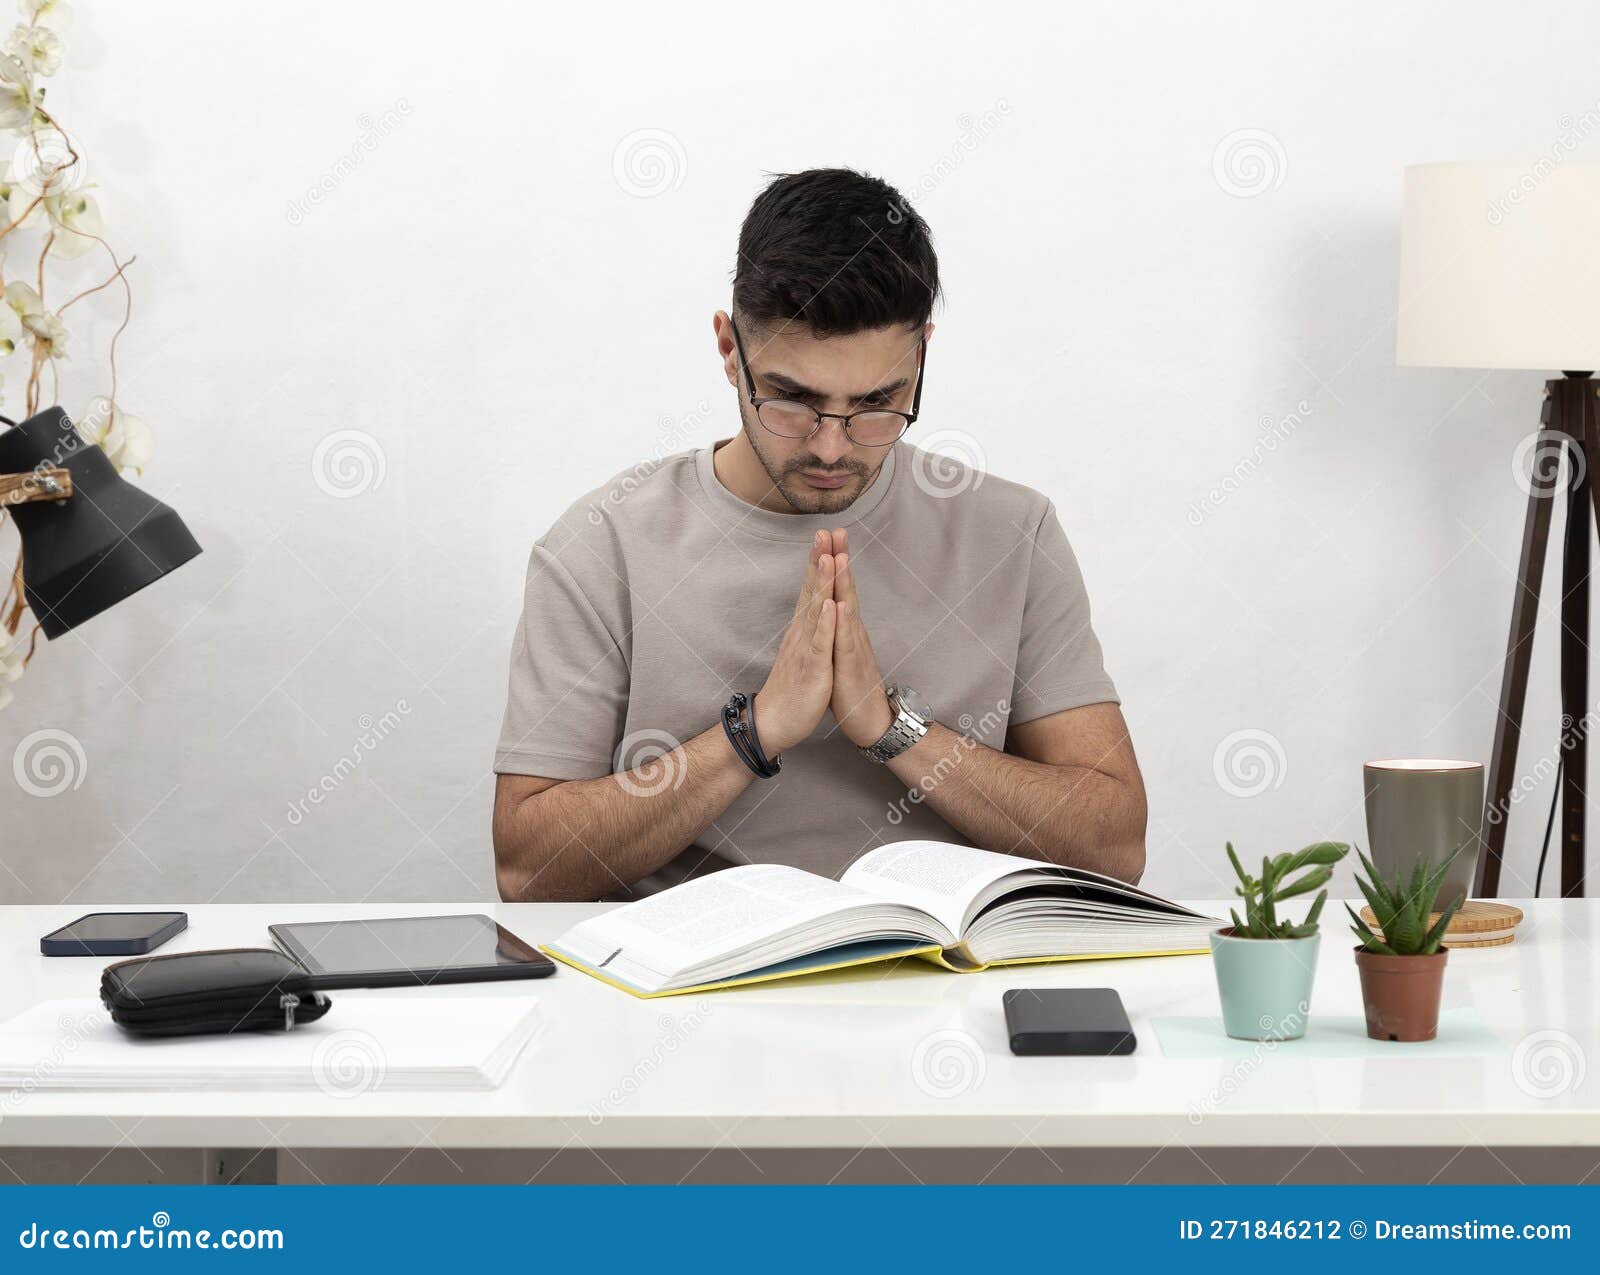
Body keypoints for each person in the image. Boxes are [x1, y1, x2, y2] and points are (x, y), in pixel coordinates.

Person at [493, 167, 1145, 902]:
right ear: (729, 350)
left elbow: (1114, 843)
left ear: (922, 355)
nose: (832, 448)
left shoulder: (1013, 534)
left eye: (878, 402)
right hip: (699, 990)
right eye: (793, 400)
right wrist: (758, 731)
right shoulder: (602, 544)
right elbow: (528, 868)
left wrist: (893, 729)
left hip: (949, 985)